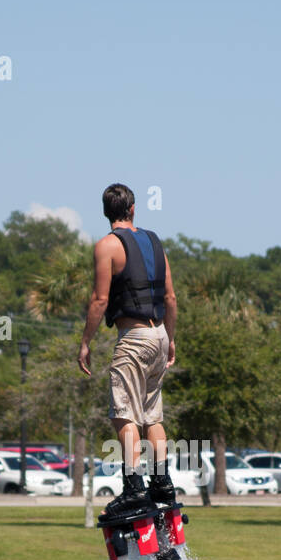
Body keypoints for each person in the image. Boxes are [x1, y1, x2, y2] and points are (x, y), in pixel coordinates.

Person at [77, 183, 178, 517]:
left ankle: (134, 488)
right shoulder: (154, 241)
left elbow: (100, 299)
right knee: (153, 415)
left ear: (106, 212)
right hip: (160, 334)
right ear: (133, 209)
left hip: (133, 337)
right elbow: (170, 298)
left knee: (124, 413)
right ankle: (162, 484)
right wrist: (171, 339)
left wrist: (86, 342)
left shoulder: (107, 246)